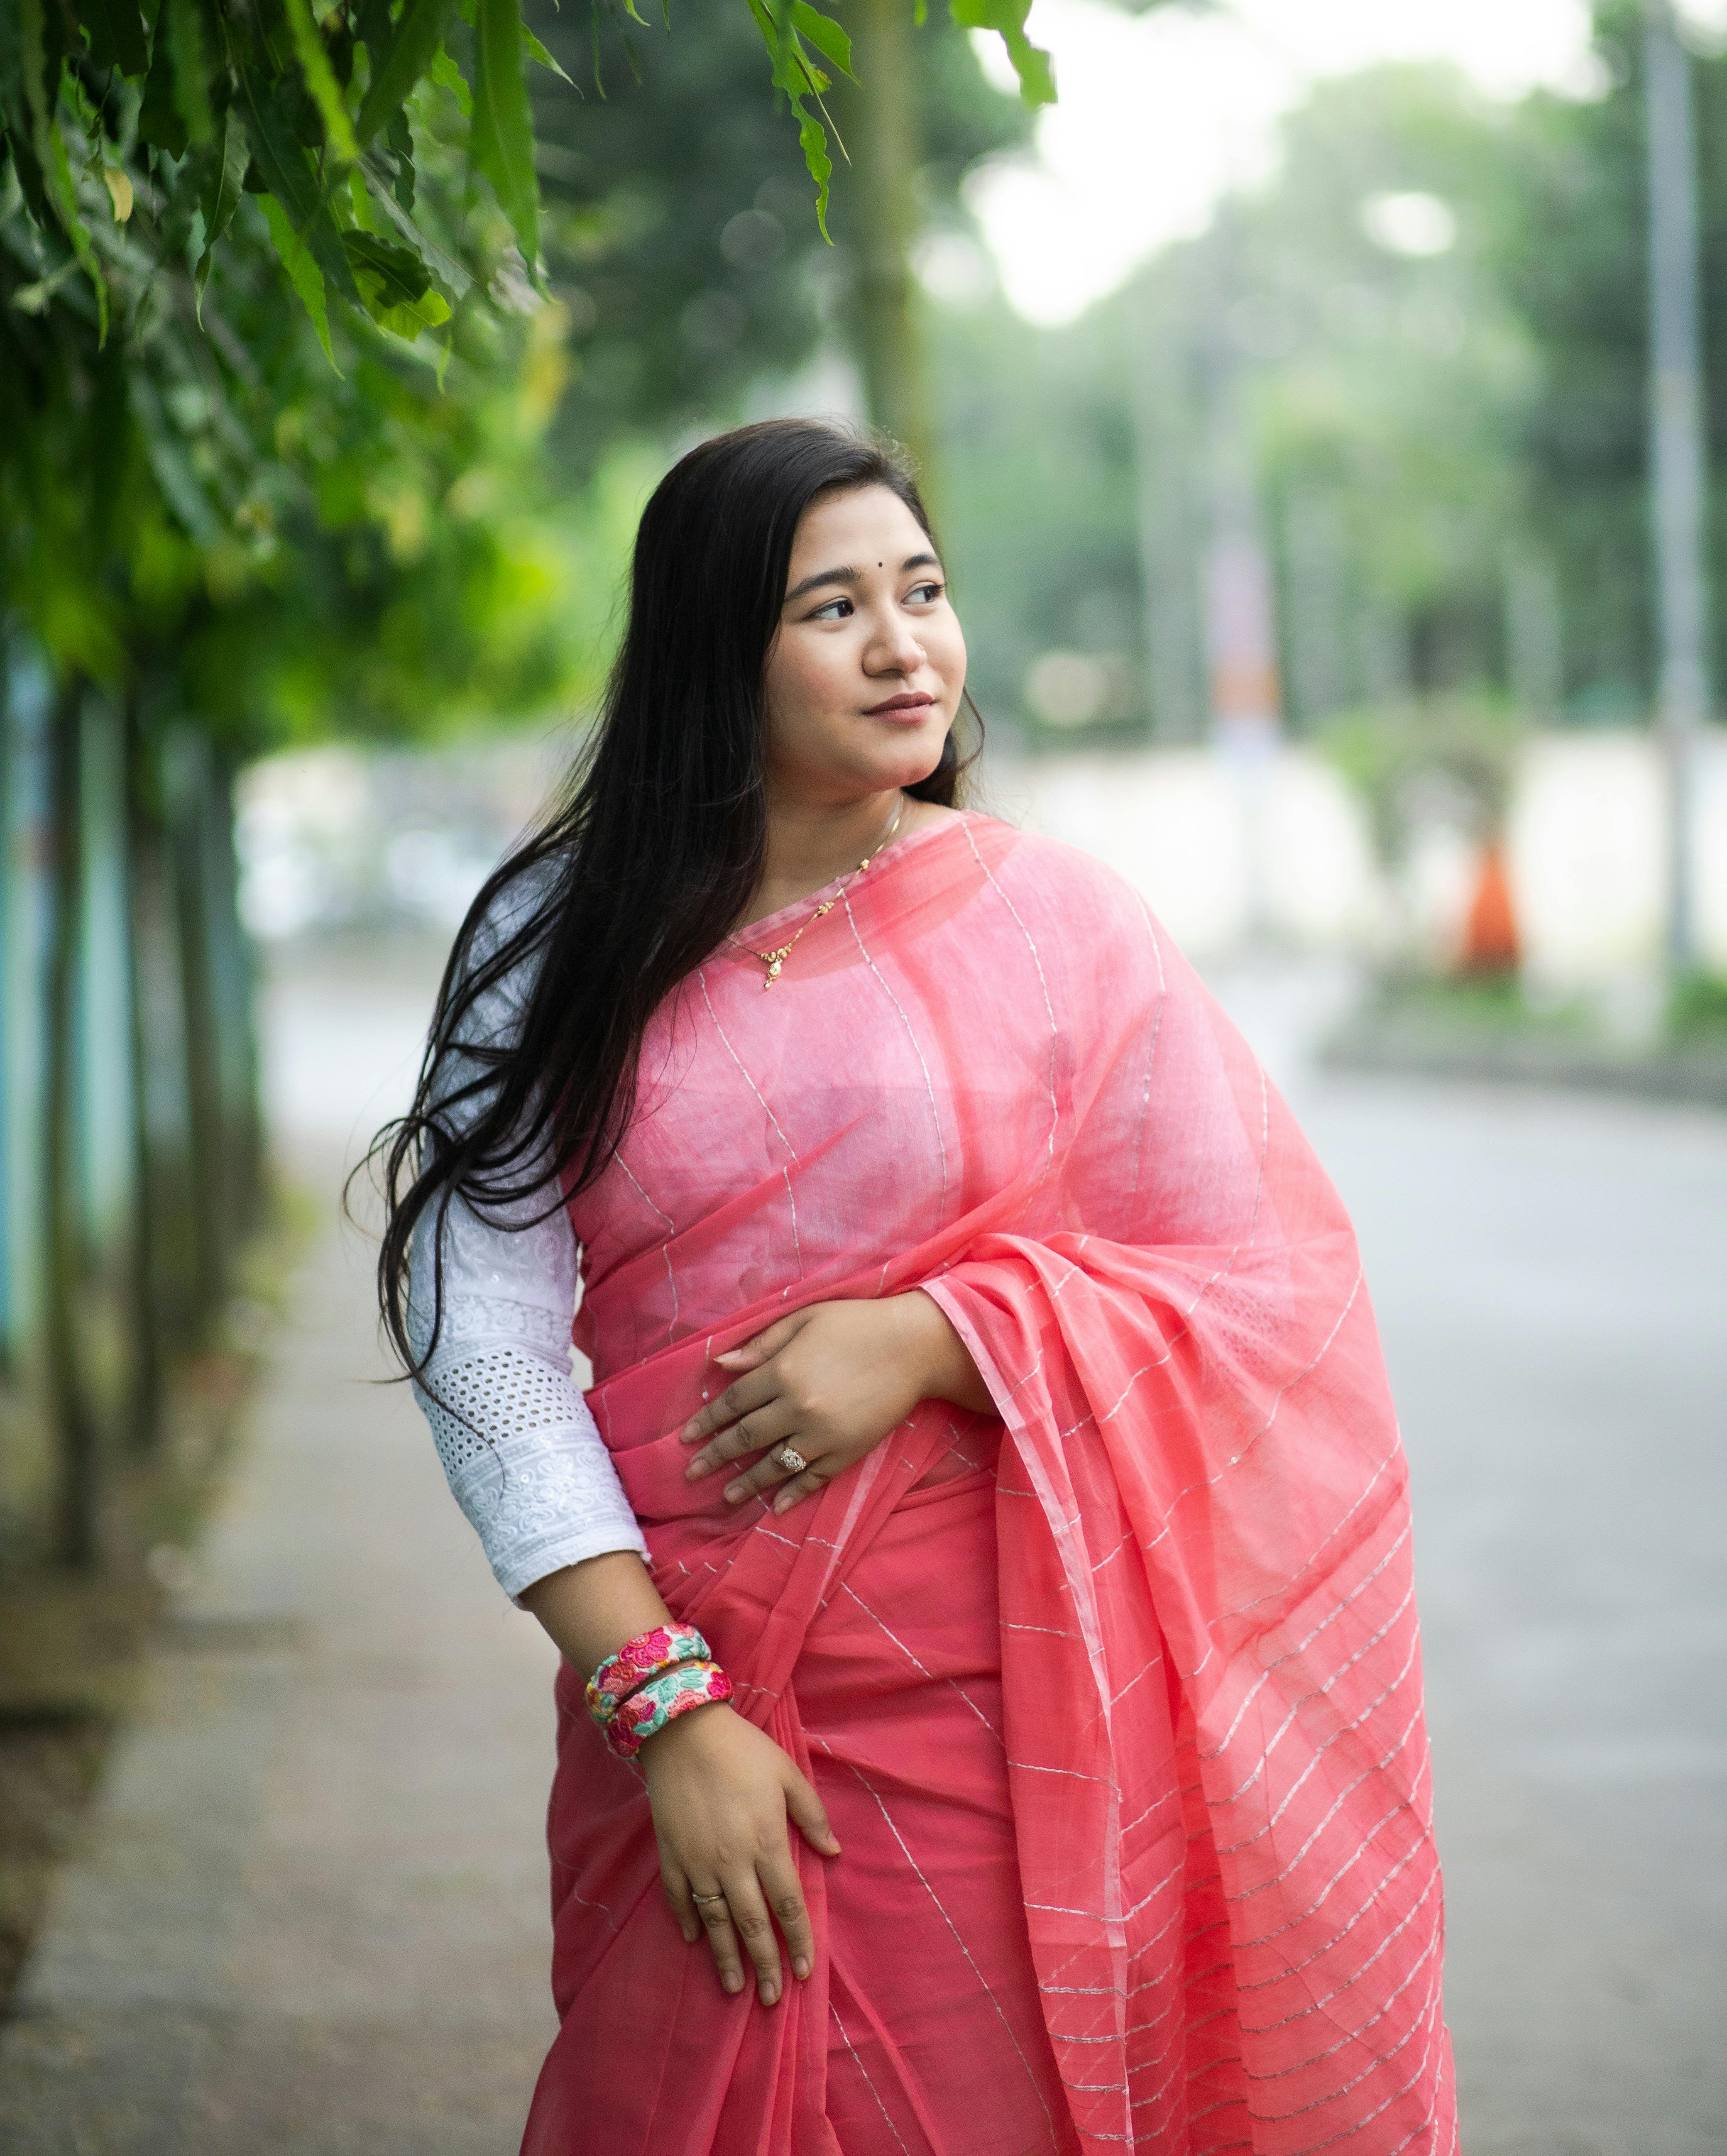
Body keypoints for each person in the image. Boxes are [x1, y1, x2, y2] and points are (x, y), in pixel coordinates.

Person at [377, 419, 1455, 2156]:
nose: (904, 648)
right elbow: (477, 1338)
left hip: (997, 1716)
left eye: (924, 592)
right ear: (714, 651)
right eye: (833, 609)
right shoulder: (555, 940)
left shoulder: (1051, 924)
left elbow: (1264, 1286)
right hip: (683, 1673)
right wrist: (665, 1708)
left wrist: (947, 1336)